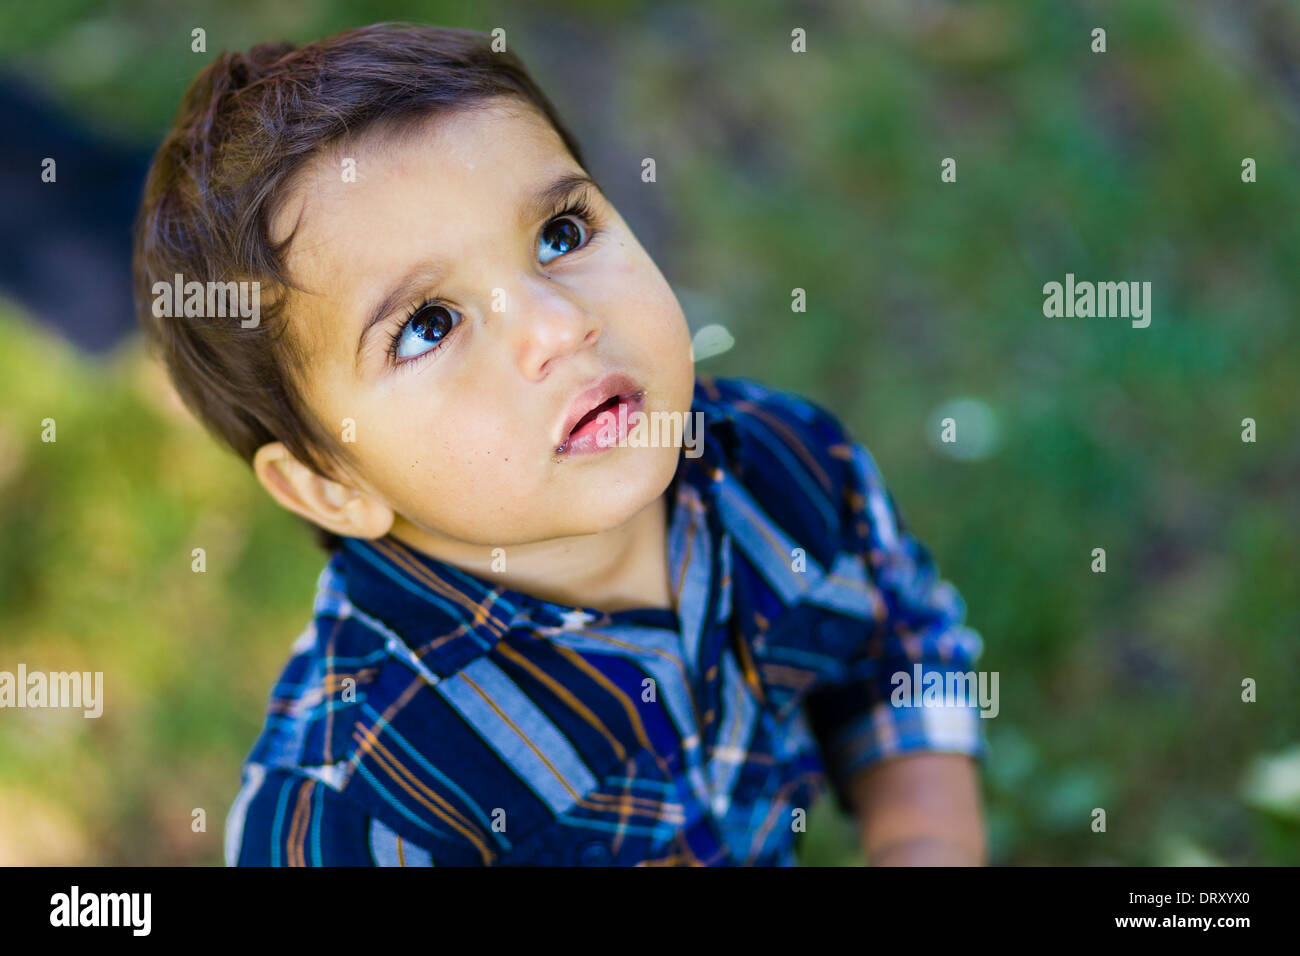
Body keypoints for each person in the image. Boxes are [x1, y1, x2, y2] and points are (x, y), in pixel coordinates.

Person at [132, 22, 988, 866]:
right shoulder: (357, 809)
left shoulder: (785, 465)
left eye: (562, 235)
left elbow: (895, 643)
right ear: (328, 484)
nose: (560, 324)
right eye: (429, 325)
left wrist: (924, 837)